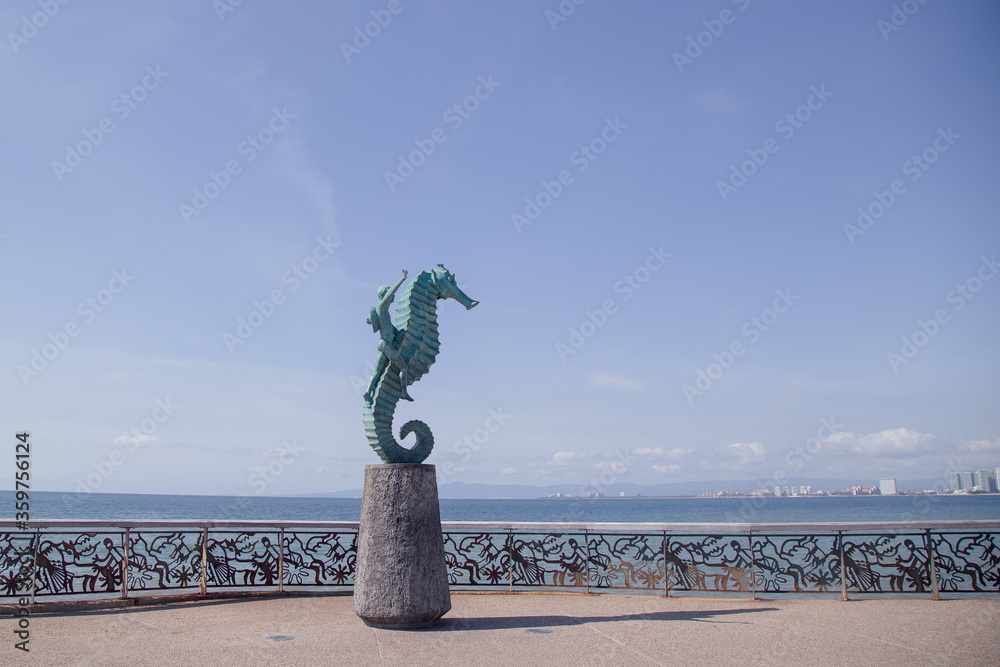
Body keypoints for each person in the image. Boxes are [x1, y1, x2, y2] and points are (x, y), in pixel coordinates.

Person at [364, 269, 413, 405]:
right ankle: (403, 392)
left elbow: (393, 330)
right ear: (384, 295)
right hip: (385, 344)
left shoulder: (384, 315)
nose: (393, 296)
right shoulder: (382, 307)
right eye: (389, 293)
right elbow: (391, 293)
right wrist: (402, 279)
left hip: (383, 343)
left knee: (377, 371)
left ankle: (368, 393)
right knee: (403, 367)